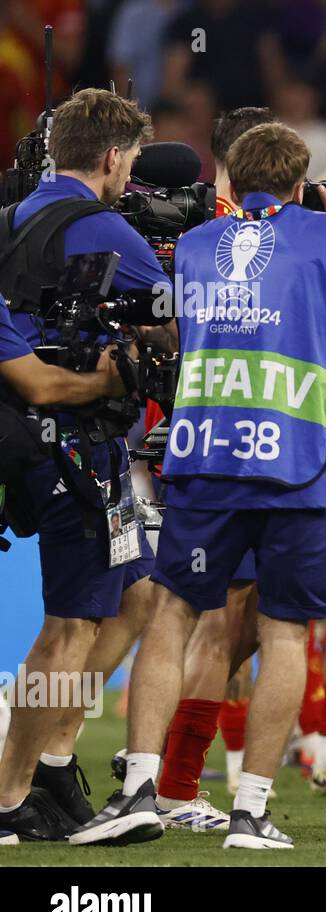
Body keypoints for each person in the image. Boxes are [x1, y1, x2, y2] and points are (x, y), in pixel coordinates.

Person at [71, 121, 326, 850]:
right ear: (297, 181)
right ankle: (250, 809)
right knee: (283, 630)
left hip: (204, 461)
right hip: (297, 470)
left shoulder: (190, 247)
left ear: (227, 180)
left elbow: (186, 333)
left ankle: (139, 790)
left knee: (173, 618)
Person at [0, 89, 168, 842]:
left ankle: (56, 758)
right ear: (111, 157)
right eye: (130, 162)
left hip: (31, 450)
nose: (130, 176)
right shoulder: (108, 232)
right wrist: (114, 375)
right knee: (70, 628)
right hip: (77, 455)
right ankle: (10, 796)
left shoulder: (5, 224)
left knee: (135, 596)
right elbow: (173, 331)